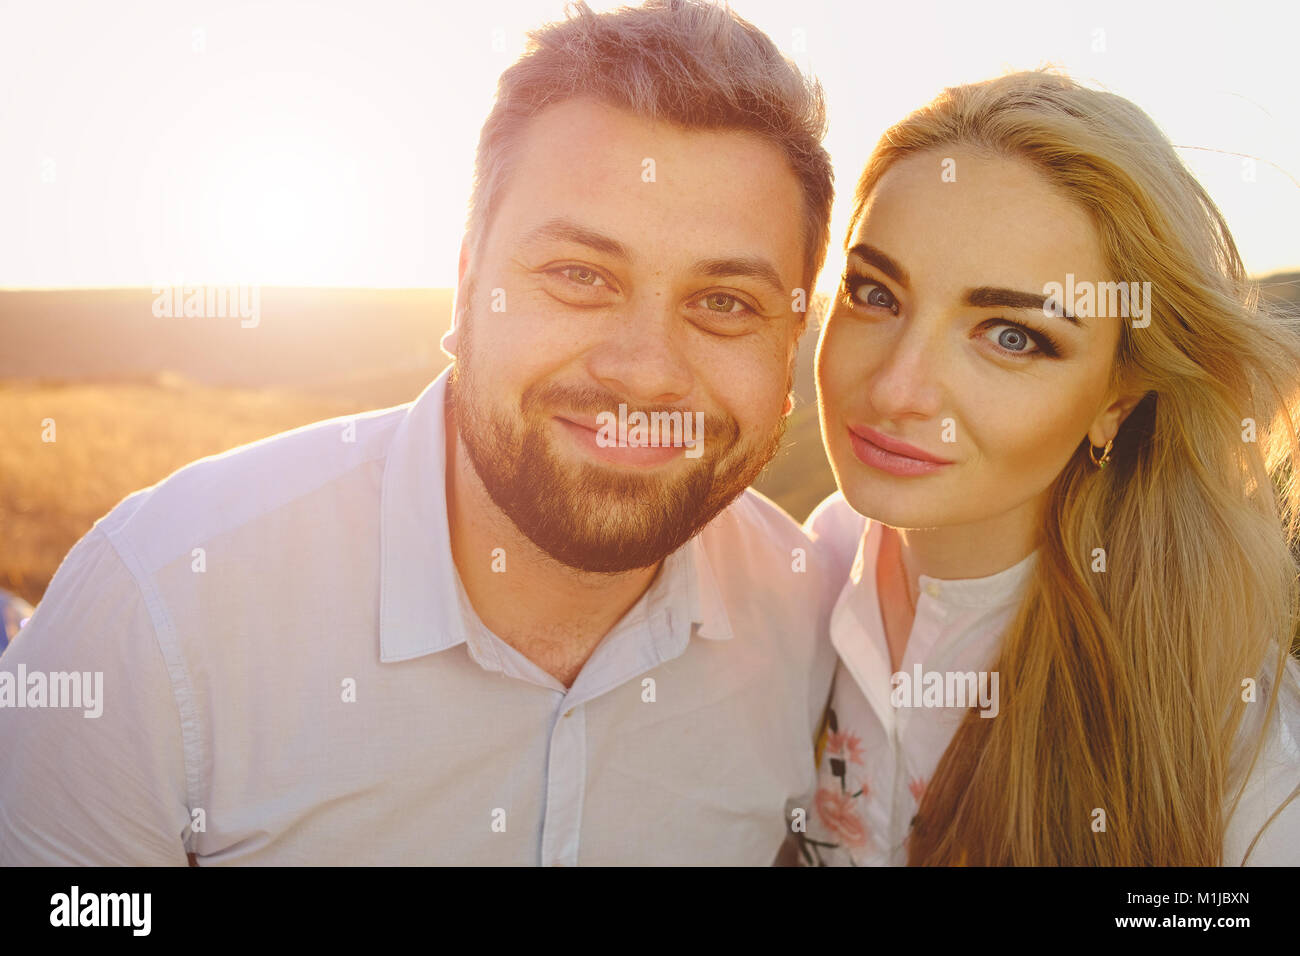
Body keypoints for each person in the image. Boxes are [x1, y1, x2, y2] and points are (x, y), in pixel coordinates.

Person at [0, 0, 840, 865]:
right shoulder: (155, 613)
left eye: (726, 302)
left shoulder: (814, 626)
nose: (645, 371)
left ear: (790, 356)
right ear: (467, 287)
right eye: (579, 275)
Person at [800, 70, 1300, 866]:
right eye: (875, 293)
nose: (898, 390)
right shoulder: (802, 571)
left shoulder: (1228, 742)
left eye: (1011, 336)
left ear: (1117, 400)